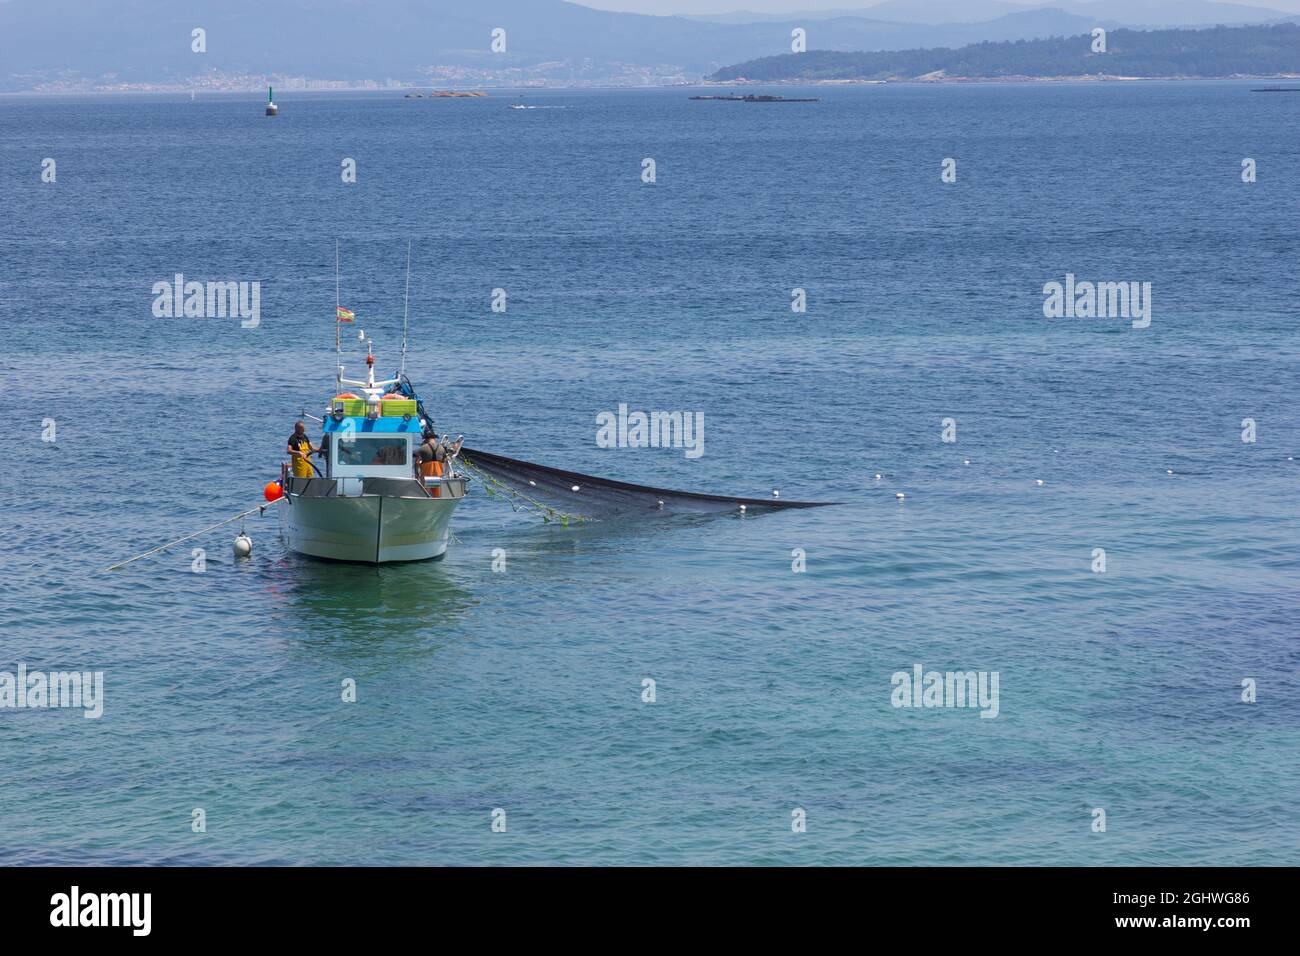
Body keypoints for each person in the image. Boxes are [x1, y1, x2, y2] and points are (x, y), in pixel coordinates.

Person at [416, 429, 462, 496]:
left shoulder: (423, 448)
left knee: (425, 493)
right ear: (434, 438)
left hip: (427, 474)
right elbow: (443, 461)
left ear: (425, 438)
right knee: (436, 494)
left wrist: (417, 474)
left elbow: (417, 462)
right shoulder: (441, 448)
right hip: (437, 474)